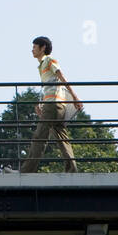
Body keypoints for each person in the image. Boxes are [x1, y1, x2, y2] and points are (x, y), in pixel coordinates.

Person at [21, 36, 82, 173]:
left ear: (43, 48)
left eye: (34, 47)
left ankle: (26, 171)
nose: (32, 50)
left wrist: (75, 97)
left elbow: (61, 77)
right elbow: (51, 86)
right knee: (61, 137)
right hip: (58, 105)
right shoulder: (42, 65)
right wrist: (41, 103)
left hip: (53, 105)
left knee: (39, 137)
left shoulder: (49, 60)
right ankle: (72, 170)